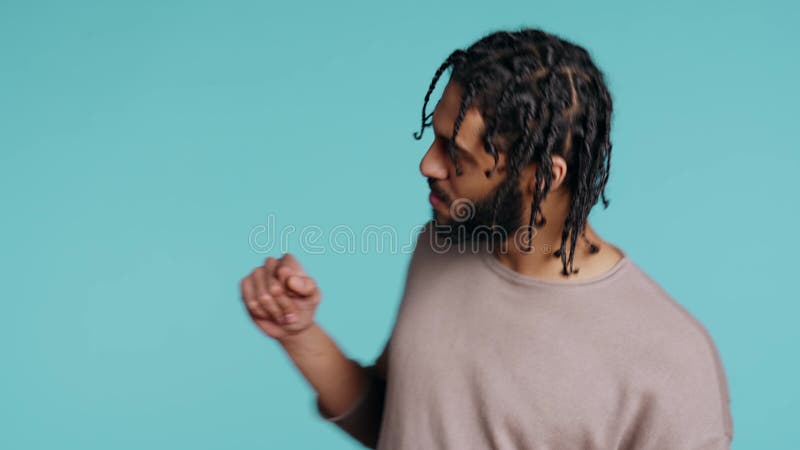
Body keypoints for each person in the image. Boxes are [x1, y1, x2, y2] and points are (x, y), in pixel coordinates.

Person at [239, 28, 734, 449]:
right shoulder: (440, 244)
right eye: (435, 139)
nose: (427, 165)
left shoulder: (670, 363)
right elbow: (401, 419)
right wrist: (296, 331)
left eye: (456, 154)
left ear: (542, 178)